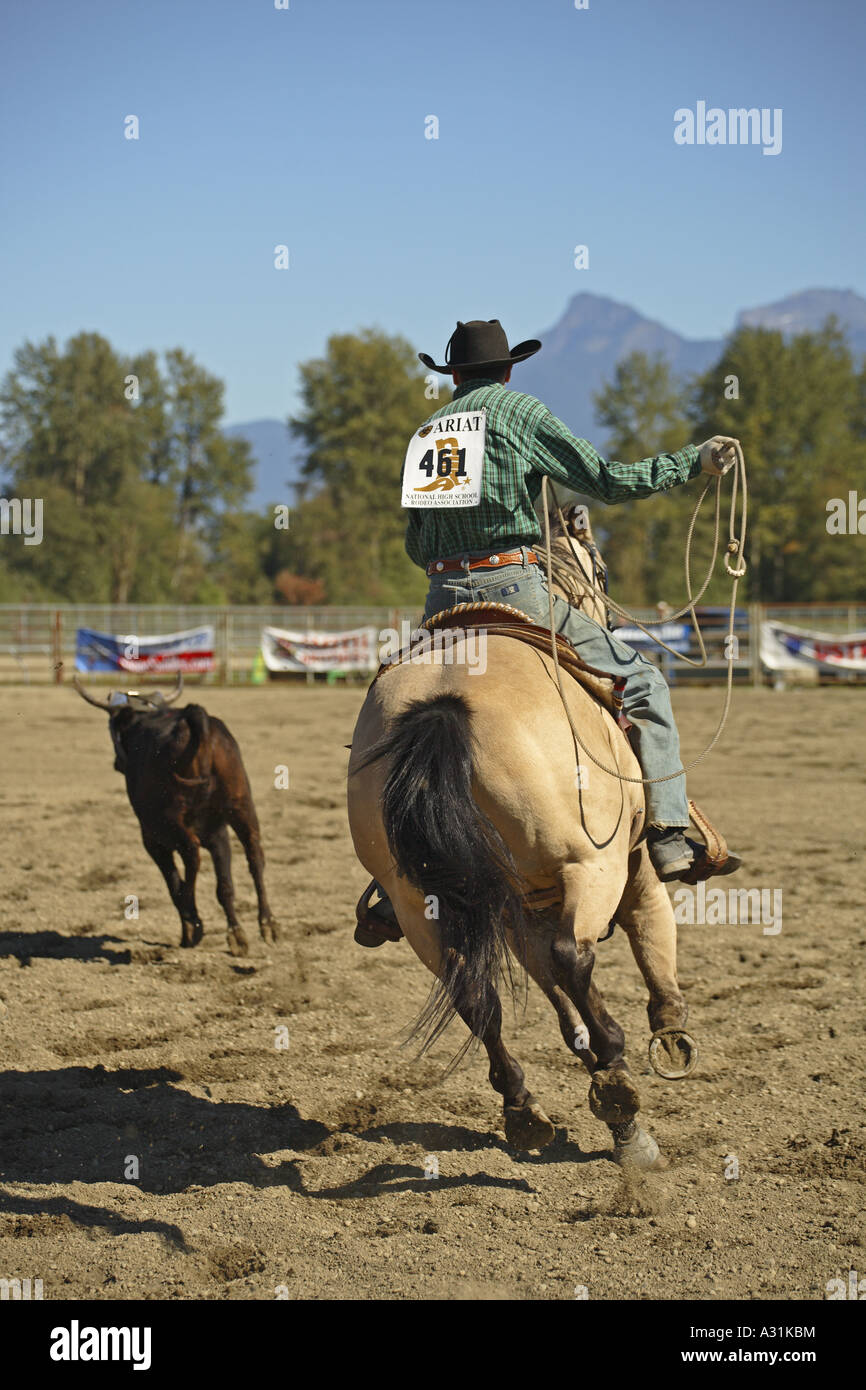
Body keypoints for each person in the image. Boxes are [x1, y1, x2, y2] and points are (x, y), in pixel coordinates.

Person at [357, 318, 740, 947]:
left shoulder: (427, 433)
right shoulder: (519, 412)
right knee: (641, 682)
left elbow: (416, 542)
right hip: (517, 593)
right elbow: (608, 482)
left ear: (452, 376)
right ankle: (670, 833)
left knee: (403, 713)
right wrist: (691, 463)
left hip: (439, 601)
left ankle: (391, 876)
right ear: (509, 369)